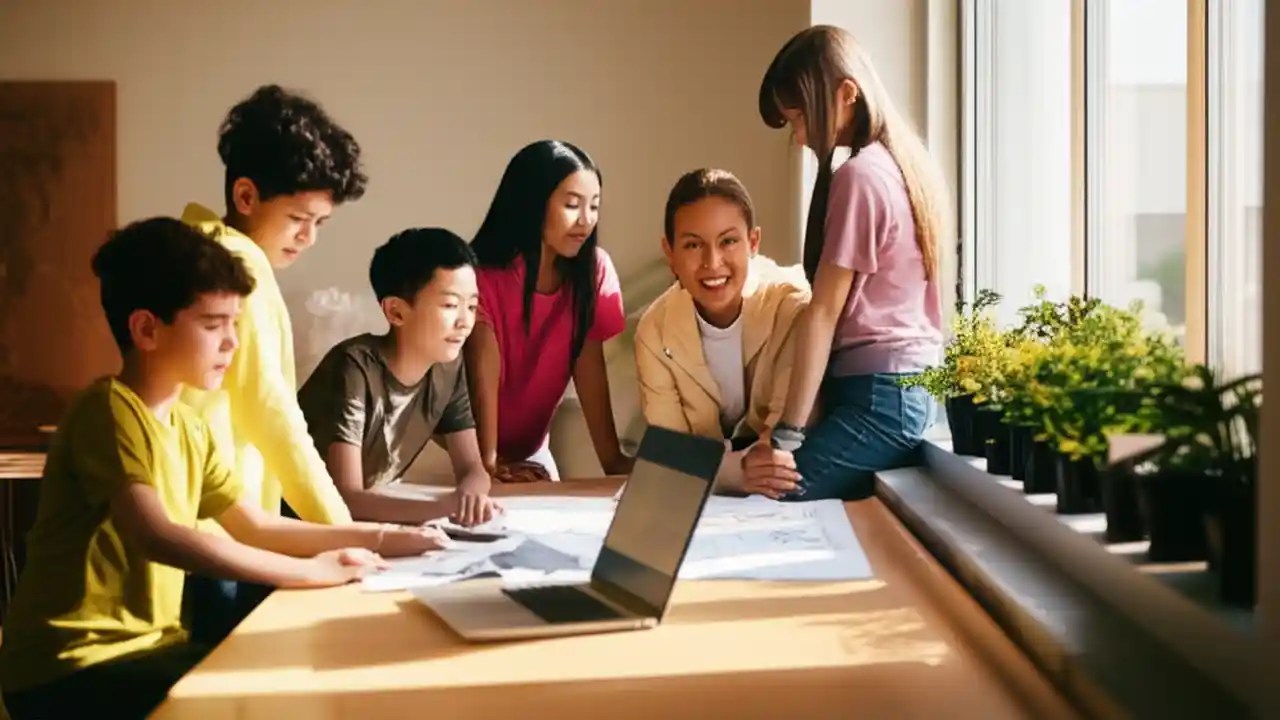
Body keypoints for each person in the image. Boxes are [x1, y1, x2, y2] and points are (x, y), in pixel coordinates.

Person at [0, 218, 446, 720]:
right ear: (147, 329)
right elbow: (158, 535)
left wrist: (384, 537)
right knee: (276, 692)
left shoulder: (190, 428)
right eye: (213, 325)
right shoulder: (109, 411)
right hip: (69, 669)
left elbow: (255, 524)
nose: (232, 343)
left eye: (235, 323)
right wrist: (309, 572)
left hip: (146, 651)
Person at [178, 84, 367, 639]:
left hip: (203, 523)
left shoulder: (196, 248)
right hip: (223, 532)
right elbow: (276, 420)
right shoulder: (242, 268)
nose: (308, 238)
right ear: (246, 195)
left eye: (320, 224)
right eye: (297, 218)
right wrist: (343, 533)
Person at [745, 25, 946, 501]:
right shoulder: (904, 164)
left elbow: (824, 313)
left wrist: (788, 437)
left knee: (774, 491)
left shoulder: (861, 177)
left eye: (798, 120)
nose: (797, 138)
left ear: (846, 94)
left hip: (880, 399)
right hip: (904, 392)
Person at [299, 228, 498, 526]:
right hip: (302, 524)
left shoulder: (447, 366)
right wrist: (442, 507)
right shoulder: (353, 368)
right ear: (396, 312)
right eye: (450, 305)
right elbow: (346, 497)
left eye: (471, 306)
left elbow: (473, 468)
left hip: (364, 525)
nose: (465, 321)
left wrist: (470, 493)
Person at [465, 140, 633, 482]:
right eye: (572, 205)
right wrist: (489, 464)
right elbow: (482, 369)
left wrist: (613, 460)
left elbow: (588, 364)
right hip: (464, 450)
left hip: (531, 451)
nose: (585, 221)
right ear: (532, 203)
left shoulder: (594, 270)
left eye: (594, 207)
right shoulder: (478, 276)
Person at [635, 168, 809, 497]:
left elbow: (784, 438)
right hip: (707, 496)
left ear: (753, 242)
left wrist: (749, 465)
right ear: (669, 253)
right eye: (692, 245)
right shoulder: (654, 331)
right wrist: (733, 473)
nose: (712, 263)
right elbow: (670, 454)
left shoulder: (792, 308)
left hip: (779, 489)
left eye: (728, 241)